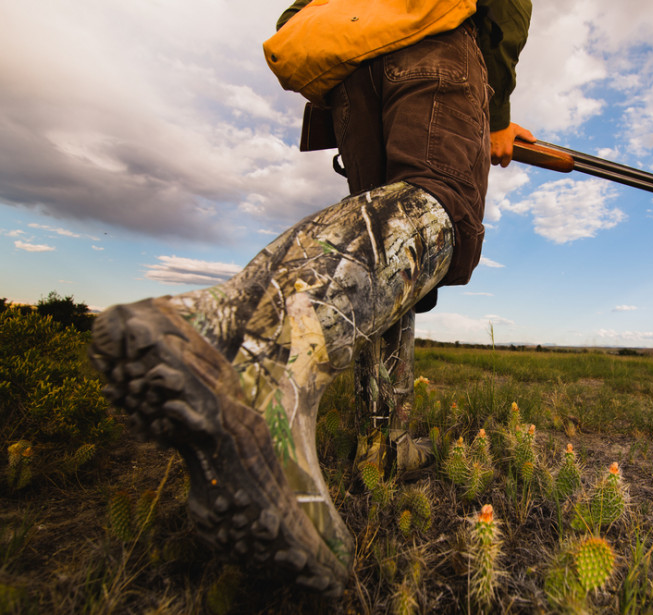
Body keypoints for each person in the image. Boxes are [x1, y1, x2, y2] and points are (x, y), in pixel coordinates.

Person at [90, 0, 532, 597]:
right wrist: (496, 111)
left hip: (353, 66)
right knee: (439, 207)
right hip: (438, 35)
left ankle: (379, 440)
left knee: (392, 258)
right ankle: (250, 357)